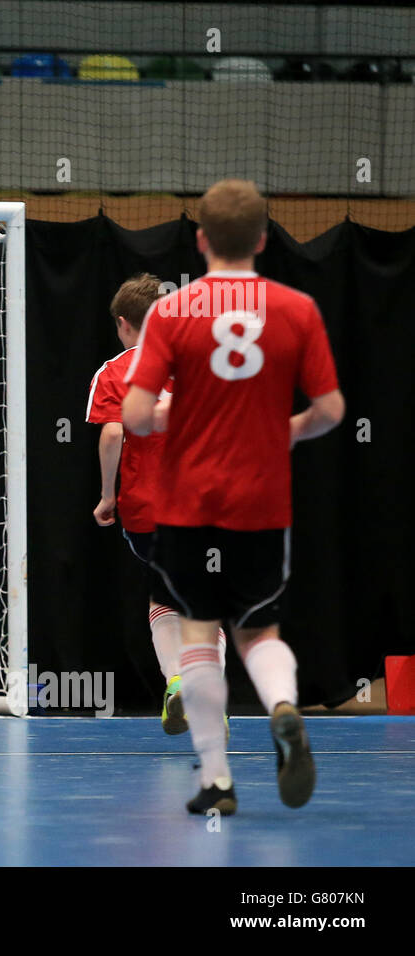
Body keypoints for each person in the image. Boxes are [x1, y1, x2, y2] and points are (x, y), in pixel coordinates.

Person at [122, 179, 344, 814]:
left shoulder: (170, 311)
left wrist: (178, 416)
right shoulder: (297, 309)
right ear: (265, 239)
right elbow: (331, 410)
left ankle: (216, 781)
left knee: (198, 631)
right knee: (258, 628)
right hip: (261, 500)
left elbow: (136, 416)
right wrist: (285, 431)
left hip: (189, 504)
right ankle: (281, 705)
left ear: (200, 240)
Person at [86, 274, 227, 734]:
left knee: (165, 594)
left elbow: (111, 433)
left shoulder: (113, 372)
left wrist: (109, 495)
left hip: (147, 510)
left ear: (125, 324)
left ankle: (178, 681)